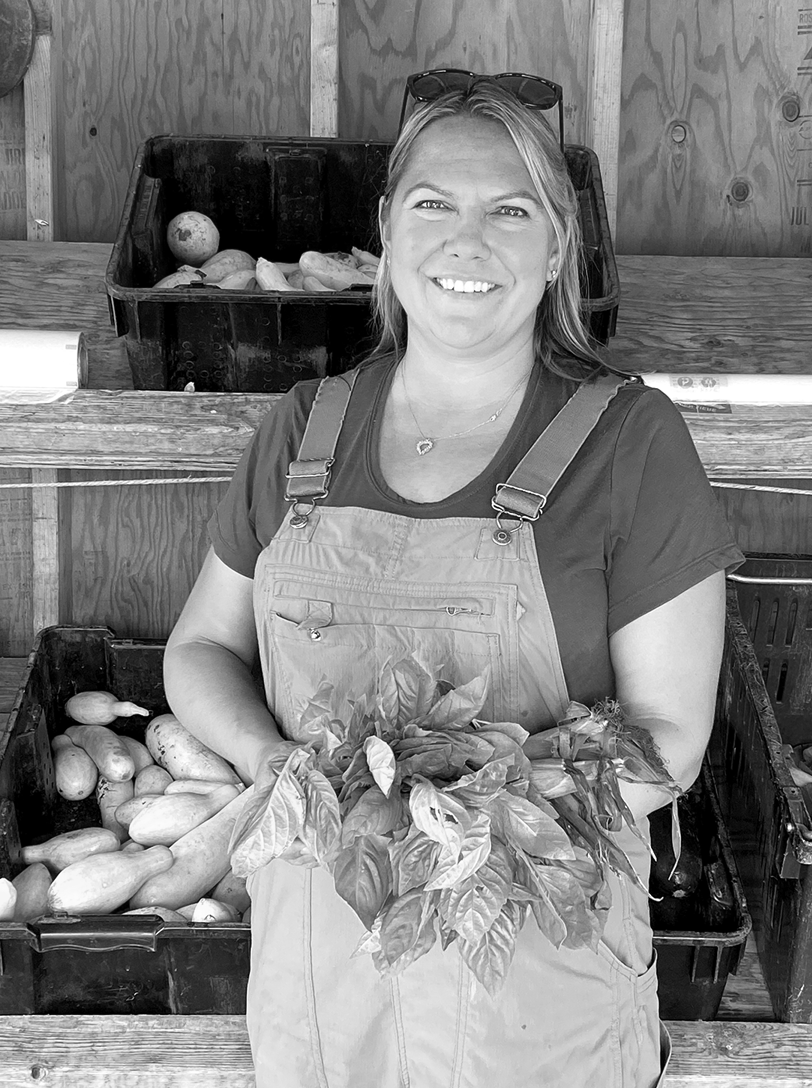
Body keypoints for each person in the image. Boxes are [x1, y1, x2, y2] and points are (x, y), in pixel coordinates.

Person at [163, 70, 744, 1088]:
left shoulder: (630, 443)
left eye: (509, 211)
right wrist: (274, 762)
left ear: (555, 247)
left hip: (538, 997)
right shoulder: (302, 430)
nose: (465, 242)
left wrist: (460, 809)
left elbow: (669, 743)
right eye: (434, 204)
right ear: (388, 230)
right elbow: (202, 646)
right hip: (319, 978)